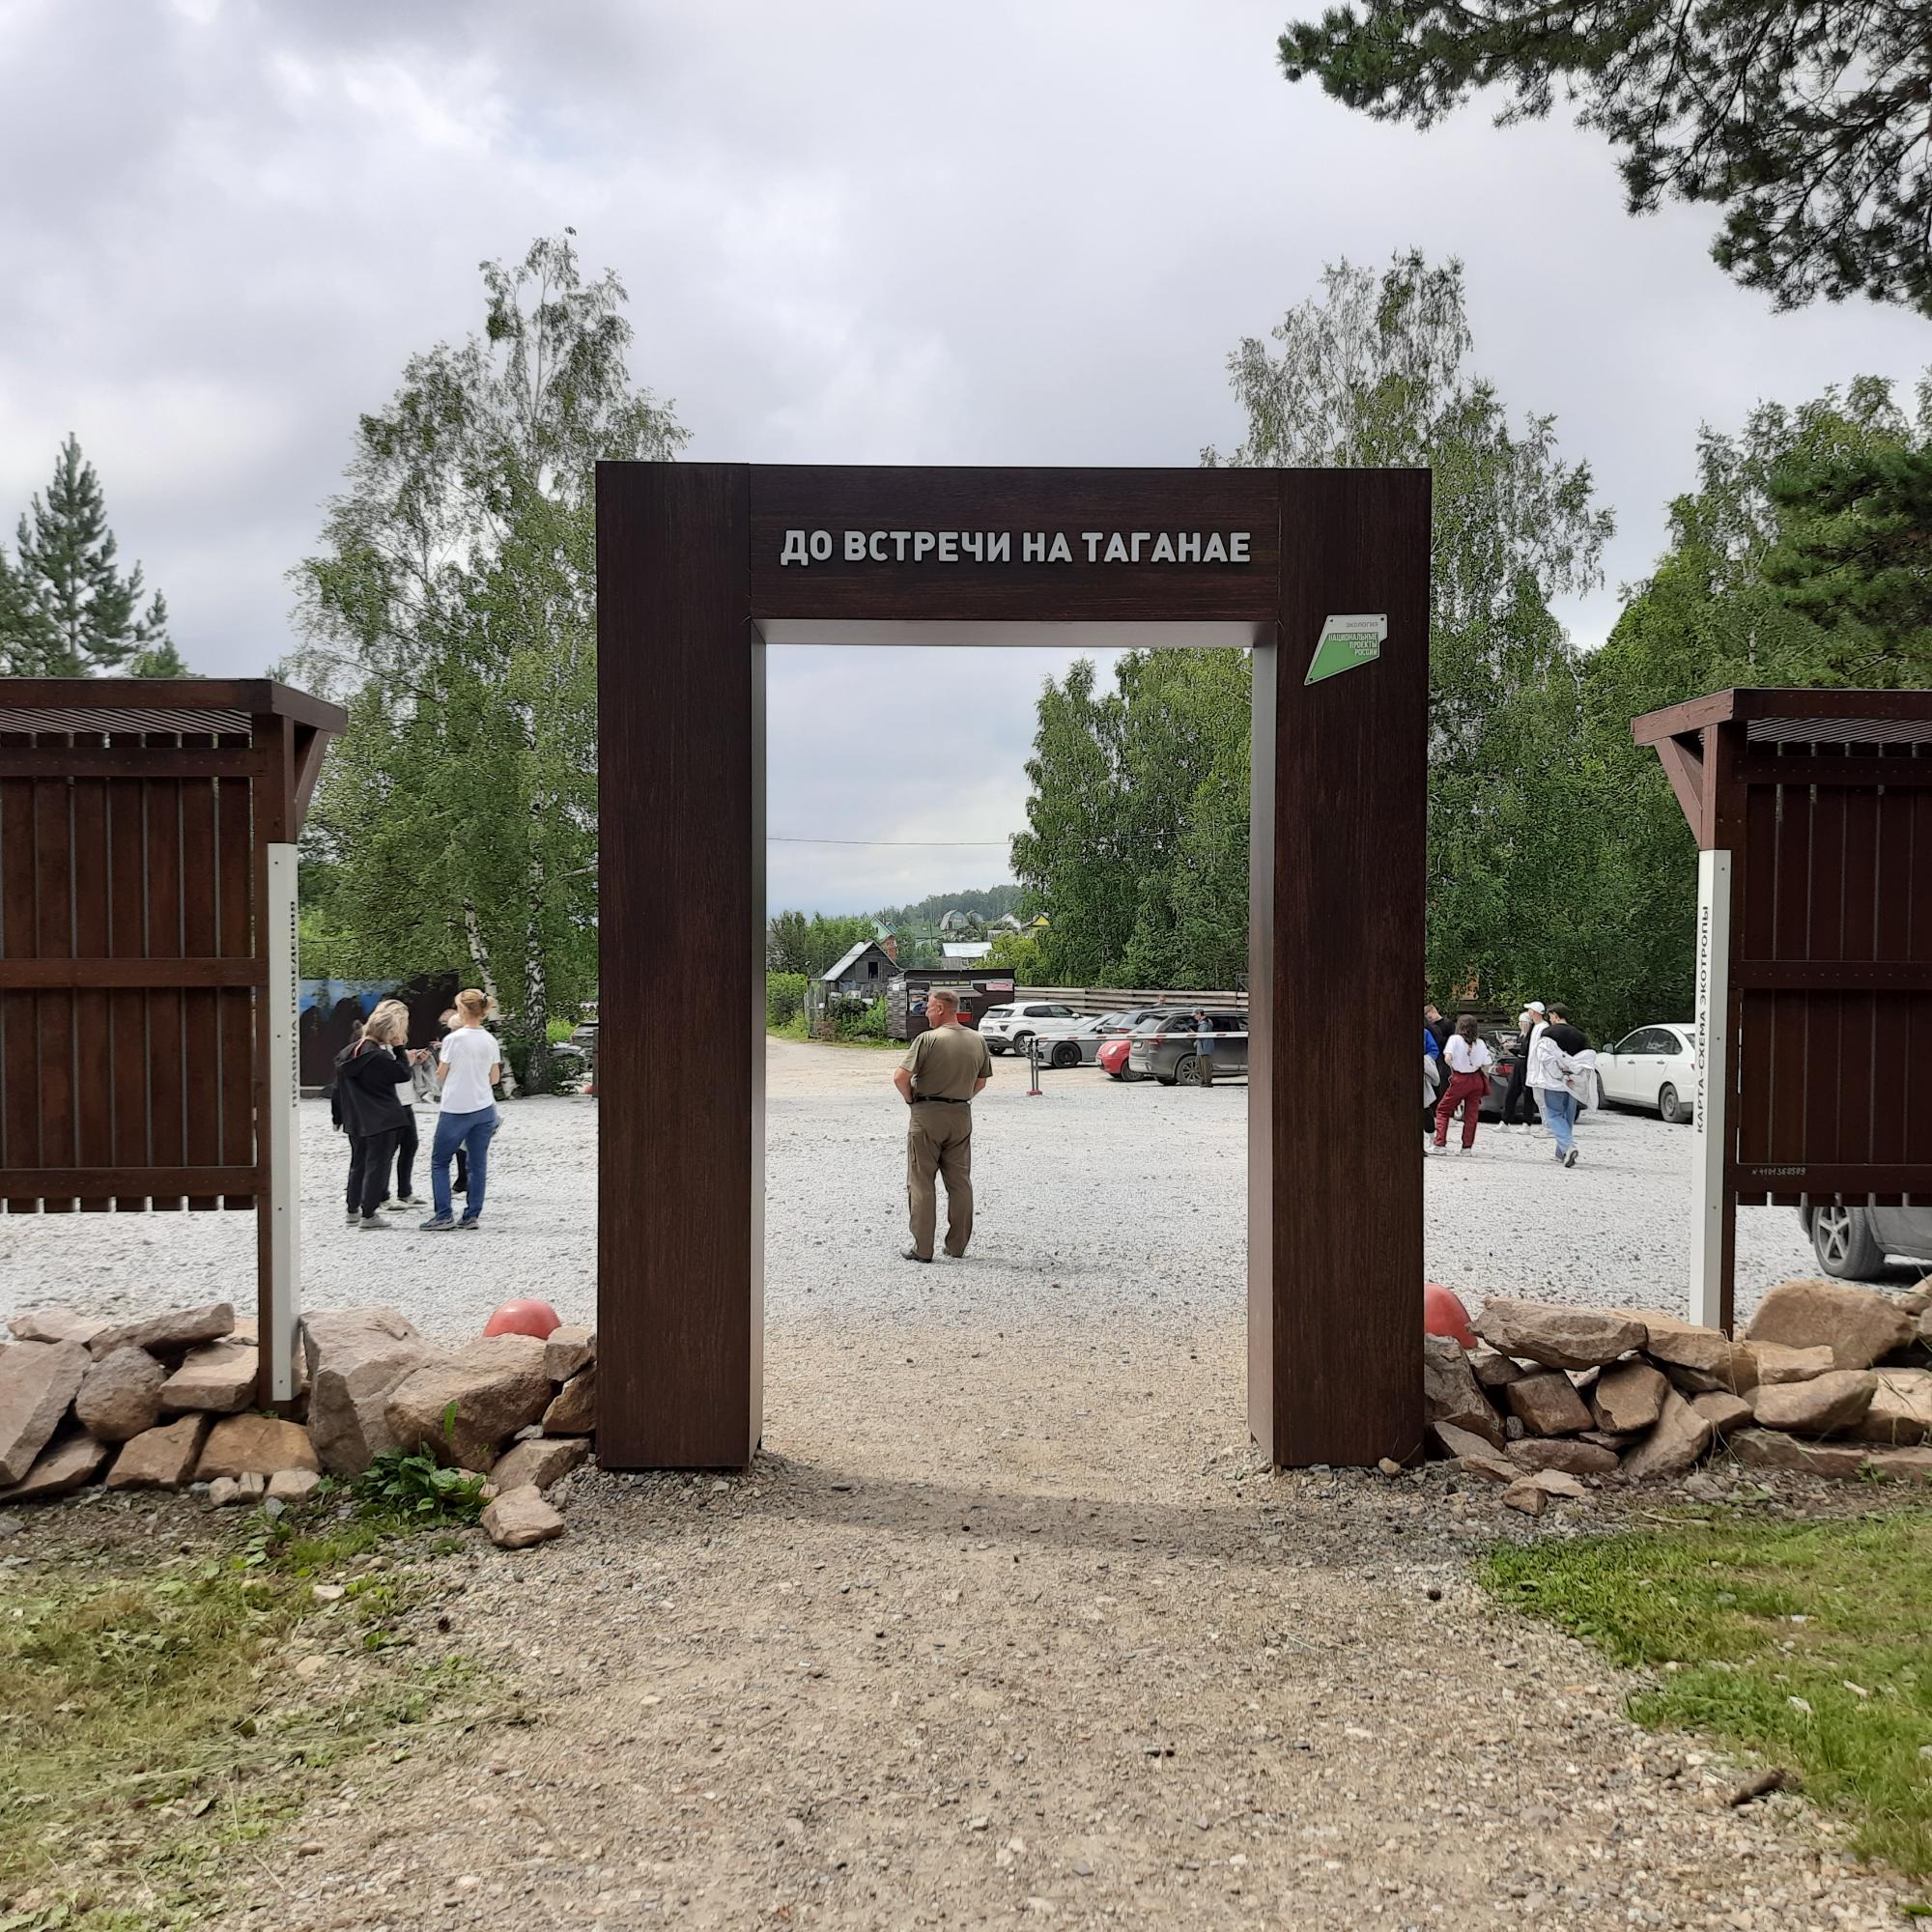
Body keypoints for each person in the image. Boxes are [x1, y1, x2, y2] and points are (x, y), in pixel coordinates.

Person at [892, 986, 991, 1262]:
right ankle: (957, 1245)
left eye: (929, 1007)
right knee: (960, 1182)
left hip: (927, 1113)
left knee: (921, 1181)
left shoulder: (927, 1039)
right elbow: (981, 1081)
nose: (925, 1012)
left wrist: (911, 1100)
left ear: (942, 1009)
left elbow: (900, 1077)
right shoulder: (977, 1040)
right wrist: (960, 1097)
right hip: (961, 1114)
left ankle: (922, 1248)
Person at [333, 1007, 424, 1230]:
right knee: (378, 1165)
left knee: (358, 1164)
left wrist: (337, 1115)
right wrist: (400, 1048)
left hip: (356, 1117)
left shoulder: (347, 1053)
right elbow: (402, 1074)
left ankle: (352, 1209)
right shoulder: (379, 1056)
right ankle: (369, 1214)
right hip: (383, 1118)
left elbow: (338, 1089)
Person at [420, 989, 501, 1232]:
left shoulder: (453, 1039)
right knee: (477, 1165)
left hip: (456, 1107)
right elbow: (495, 1078)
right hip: (484, 1106)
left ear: (462, 1010)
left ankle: (443, 1213)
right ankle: (472, 1214)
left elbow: (441, 1073)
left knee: (440, 1161)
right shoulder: (490, 1040)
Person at [368, 999, 426, 1210]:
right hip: (390, 1102)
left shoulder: (396, 1041)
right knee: (387, 1150)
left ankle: (405, 1191)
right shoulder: (377, 1044)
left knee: (410, 1144)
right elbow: (389, 1071)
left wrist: (411, 1059)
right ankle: (382, 1194)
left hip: (405, 1099)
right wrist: (405, 1060)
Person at [1529, 1010, 1597, 1168]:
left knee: (1554, 1115)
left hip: (1554, 1081)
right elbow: (1587, 1058)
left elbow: (1544, 1056)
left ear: (1555, 1015)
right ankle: (1561, 1153)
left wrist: (1559, 1074)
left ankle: (1568, 1147)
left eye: (1551, 1016)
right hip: (1573, 1082)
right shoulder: (1580, 1035)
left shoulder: (1548, 1033)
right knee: (1568, 1117)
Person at [1433, 1013, 1494, 1154]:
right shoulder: (1480, 1042)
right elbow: (1487, 1063)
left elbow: (1448, 1058)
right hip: (1476, 1078)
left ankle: (1440, 1144)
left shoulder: (1455, 1039)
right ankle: (1467, 1147)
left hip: (1460, 1078)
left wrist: (1454, 1065)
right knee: (1471, 1114)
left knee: (1443, 1109)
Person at [1501, 1003, 1545, 1132]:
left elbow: (1527, 1051)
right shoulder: (1523, 1035)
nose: (1520, 1025)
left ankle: (1527, 1123)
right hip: (1520, 1063)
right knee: (1511, 1092)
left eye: (1522, 1022)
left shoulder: (1533, 1032)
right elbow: (1521, 1051)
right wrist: (1512, 1049)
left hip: (1527, 1064)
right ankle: (1505, 1121)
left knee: (1528, 1094)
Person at [1192, 1009, 1216, 1089]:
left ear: (1199, 1014)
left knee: (1205, 1066)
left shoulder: (1205, 1023)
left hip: (1205, 1048)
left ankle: (1207, 1082)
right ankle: (1203, 1080)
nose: (1194, 1017)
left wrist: (1193, 1033)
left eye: (1195, 1015)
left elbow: (1201, 1035)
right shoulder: (1203, 1022)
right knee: (1199, 1066)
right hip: (1201, 1048)